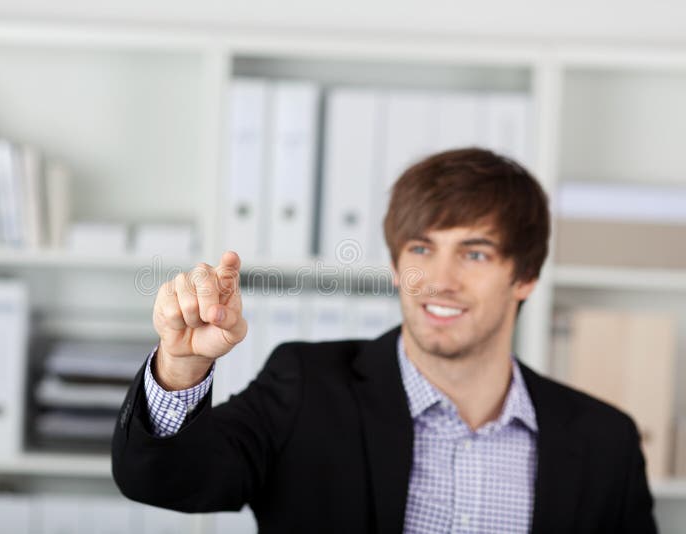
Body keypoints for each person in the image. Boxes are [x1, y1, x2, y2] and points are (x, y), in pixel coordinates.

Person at [112, 148, 657, 533]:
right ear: (397, 266)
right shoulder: (307, 387)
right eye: (421, 249)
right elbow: (165, 480)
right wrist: (179, 365)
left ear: (525, 277)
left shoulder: (605, 443)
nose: (440, 279)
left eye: (475, 253)